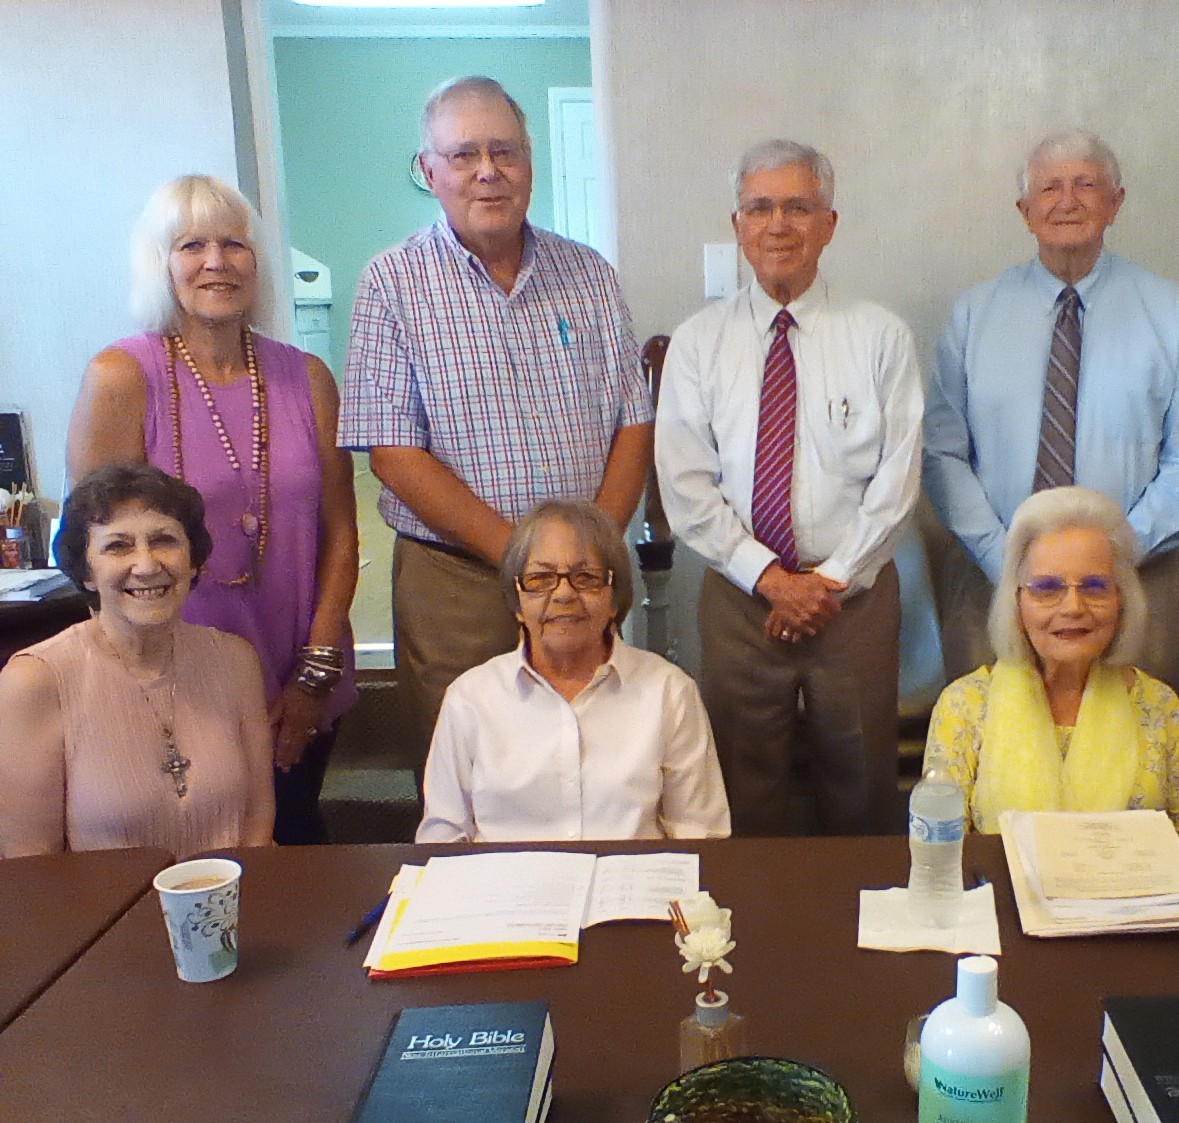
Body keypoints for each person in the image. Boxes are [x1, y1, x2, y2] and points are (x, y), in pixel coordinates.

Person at [339, 75, 653, 769]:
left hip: (585, 572)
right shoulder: (391, 282)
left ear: (529, 163)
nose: (488, 171)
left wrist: (585, 559)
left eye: (505, 151)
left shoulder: (591, 275)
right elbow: (393, 454)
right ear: (430, 172)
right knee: (469, 769)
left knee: (592, 757)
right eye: (464, 155)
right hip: (456, 581)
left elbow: (634, 424)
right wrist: (529, 561)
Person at [66, 175, 357, 845]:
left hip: (299, 666)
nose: (216, 262)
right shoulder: (121, 377)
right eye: (191, 245)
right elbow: (94, 548)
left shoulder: (308, 378)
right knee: (192, 846)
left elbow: (341, 532)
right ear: (160, 264)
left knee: (292, 839)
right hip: (173, 675)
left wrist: (315, 672)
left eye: (234, 244)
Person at [655, 139, 922, 836]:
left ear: (829, 223)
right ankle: (751, 902)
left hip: (853, 599)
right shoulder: (697, 342)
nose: (779, 225)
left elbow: (898, 481)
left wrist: (825, 584)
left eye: (798, 207)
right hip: (740, 597)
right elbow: (686, 484)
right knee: (740, 783)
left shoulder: (880, 336)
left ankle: (862, 897)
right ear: (737, 225)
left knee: (861, 777)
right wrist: (772, 581)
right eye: (760, 208)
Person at [922, 129, 1179, 683]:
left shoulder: (1169, 310)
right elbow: (942, 454)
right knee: (992, 731)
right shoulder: (974, 314)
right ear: (1025, 210)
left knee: (1128, 734)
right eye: (1050, 188)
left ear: (1115, 202)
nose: (1067, 201)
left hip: (1135, 580)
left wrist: (1110, 560)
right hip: (993, 580)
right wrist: (1008, 561)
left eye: (1086, 184)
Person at [0, 465, 274, 857]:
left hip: (231, 894)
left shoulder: (235, 661)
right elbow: (33, 864)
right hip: (99, 900)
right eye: (118, 546)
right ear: (86, 571)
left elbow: (258, 823)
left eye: (164, 541)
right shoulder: (34, 682)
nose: (146, 566)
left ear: (193, 561)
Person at [416, 500, 730, 842]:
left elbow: (700, 836)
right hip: (504, 878)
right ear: (517, 601)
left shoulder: (670, 692)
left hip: (631, 877)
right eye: (540, 578)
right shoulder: (469, 699)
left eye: (586, 578)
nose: (564, 594)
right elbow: (442, 840)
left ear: (614, 599)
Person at [923, 487, 1179, 834]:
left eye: (1094, 586)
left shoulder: (1160, 707)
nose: (1073, 607)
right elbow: (938, 849)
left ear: (1122, 599)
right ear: (1016, 601)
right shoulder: (964, 706)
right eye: (1047, 588)